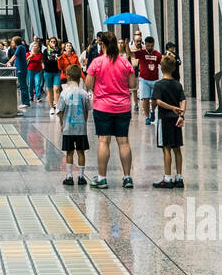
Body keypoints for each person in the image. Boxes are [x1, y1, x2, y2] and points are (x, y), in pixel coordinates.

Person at [85, 32, 138, 189]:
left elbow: (88, 83)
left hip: (103, 106)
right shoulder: (125, 63)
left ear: (103, 45)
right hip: (122, 107)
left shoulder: (97, 62)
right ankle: (127, 177)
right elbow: (132, 84)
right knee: (123, 141)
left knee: (104, 141)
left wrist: (99, 89)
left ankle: (102, 178)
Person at [150, 56, 187, 188]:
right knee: (177, 148)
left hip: (164, 118)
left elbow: (157, 101)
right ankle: (179, 177)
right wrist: (181, 114)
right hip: (176, 119)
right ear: (174, 68)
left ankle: (167, 177)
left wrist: (171, 108)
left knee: (166, 148)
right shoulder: (178, 84)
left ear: (161, 67)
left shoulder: (158, 84)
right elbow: (183, 100)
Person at [55, 64, 90, 186]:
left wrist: (61, 123)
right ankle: (81, 177)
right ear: (79, 77)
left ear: (68, 77)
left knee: (69, 152)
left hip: (68, 127)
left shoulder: (64, 93)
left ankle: (69, 176)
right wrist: (84, 120)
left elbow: (60, 111)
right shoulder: (84, 93)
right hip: (81, 128)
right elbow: (87, 110)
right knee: (81, 152)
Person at [135, 36, 163, 125]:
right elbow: (130, 54)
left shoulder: (157, 54)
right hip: (144, 79)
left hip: (155, 80)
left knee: (155, 99)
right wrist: (127, 45)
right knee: (145, 99)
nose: (150, 48)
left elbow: (162, 64)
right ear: (145, 45)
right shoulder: (141, 53)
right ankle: (147, 117)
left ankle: (152, 110)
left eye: (151, 46)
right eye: (148, 46)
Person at [11, 36, 30, 108]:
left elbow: (14, 56)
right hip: (21, 68)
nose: (12, 43)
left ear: (16, 42)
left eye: (13, 42)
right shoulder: (21, 47)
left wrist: (8, 62)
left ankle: (25, 102)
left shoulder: (20, 47)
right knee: (23, 85)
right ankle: (25, 102)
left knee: (23, 86)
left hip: (21, 69)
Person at [44, 38, 62, 107]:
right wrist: (54, 59)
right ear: (49, 43)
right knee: (50, 90)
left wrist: (54, 59)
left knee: (56, 89)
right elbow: (46, 61)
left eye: (54, 42)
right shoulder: (46, 51)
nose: (53, 43)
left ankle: (57, 105)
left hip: (56, 72)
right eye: (51, 41)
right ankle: (51, 107)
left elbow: (60, 60)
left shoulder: (59, 51)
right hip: (48, 72)